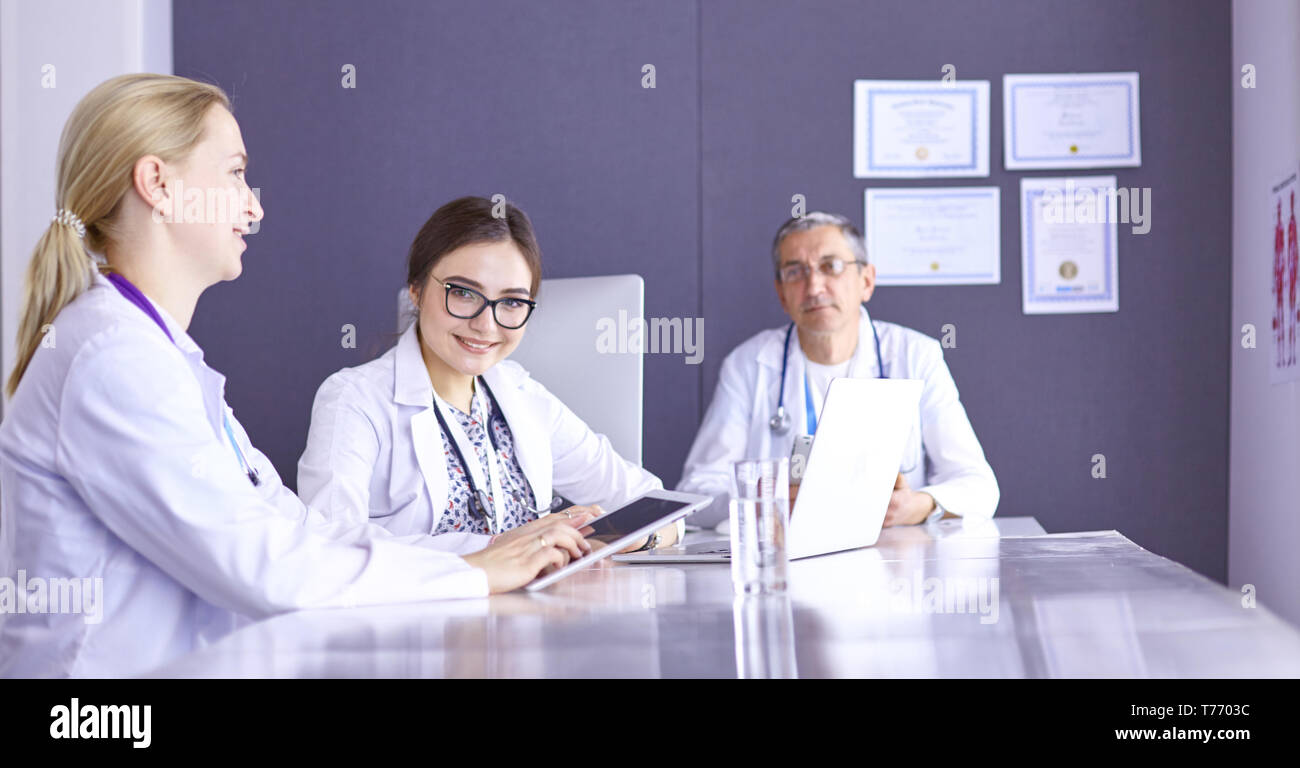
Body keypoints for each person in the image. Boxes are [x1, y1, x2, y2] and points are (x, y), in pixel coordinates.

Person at [0, 75, 588, 678]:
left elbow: (300, 531)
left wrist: (483, 552)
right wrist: (471, 574)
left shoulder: (157, 354)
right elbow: (265, 567)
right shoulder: (112, 358)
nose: (254, 207)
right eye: (234, 174)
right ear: (159, 185)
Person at [297, 196, 681, 552]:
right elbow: (327, 550)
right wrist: (503, 547)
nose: (486, 325)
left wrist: (627, 539)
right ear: (416, 289)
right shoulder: (354, 399)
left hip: (537, 618)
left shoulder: (521, 394)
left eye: (512, 302)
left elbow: (658, 505)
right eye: (463, 293)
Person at [678, 211, 999, 528]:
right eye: (795, 271)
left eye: (831, 267)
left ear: (867, 281)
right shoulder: (748, 364)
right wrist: (766, 500)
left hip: (893, 562)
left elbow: (979, 486)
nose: (814, 286)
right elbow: (696, 493)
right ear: (781, 293)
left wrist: (920, 505)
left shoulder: (915, 356)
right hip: (787, 561)